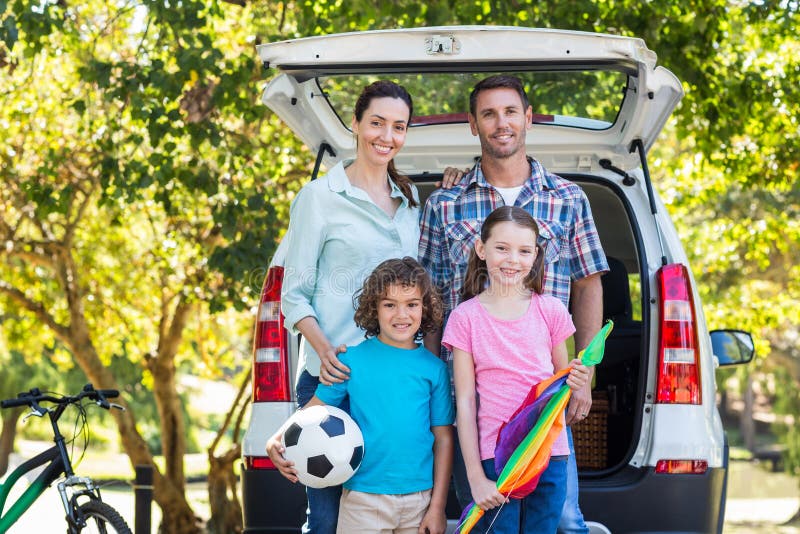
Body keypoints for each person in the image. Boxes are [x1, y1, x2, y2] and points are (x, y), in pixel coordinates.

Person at [419, 75, 608, 533]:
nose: (500, 123)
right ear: (472, 124)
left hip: (543, 390)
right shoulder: (444, 203)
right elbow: (428, 301)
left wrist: (583, 376)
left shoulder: (568, 198)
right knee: (488, 513)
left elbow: (587, 285)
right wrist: (425, 384)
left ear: (527, 118)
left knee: (562, 518)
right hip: (470, 387)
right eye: (488, 113)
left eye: (509, 112)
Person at [279, 80, 421, 534]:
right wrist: (322, 350)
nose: (387, 135)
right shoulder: (319, 198)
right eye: (377, 122)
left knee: (387, 512)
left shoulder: (411, 202)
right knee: (325, 518)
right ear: (356, 125)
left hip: (392, 381)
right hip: (332, 376)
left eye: (399, 126)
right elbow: (293, 294)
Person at [268, 257, 455, 534]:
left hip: (420, 501)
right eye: (389, 305)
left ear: (424, 308)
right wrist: (277, 437)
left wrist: (437, 506)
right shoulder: (351, 361)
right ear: (374, 308)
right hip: (362, 500)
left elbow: (443, 437)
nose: (401, 315)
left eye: (412, 304)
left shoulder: (434, 369)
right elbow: (315, 410)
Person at [443, 206, 590, 532]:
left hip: (549, 452)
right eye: (501, 248)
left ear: (535, 255)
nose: (513, 259)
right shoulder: (464, 318)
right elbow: (465, 403)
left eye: (524, 251)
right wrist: (476, 479)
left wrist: (577, 379)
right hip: (495, 456)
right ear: (481, 250)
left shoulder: (551, 310)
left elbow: (562, 382)